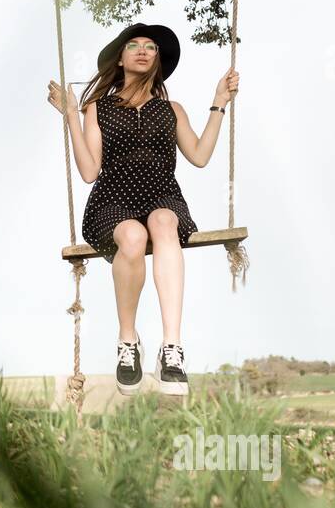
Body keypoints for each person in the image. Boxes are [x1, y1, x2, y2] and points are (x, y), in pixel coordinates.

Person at [47, 22, 239, 398]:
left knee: (164, 222)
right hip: (113, 199)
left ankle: (171, 349)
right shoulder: (97, 108)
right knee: (133, 236)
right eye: (133, 45)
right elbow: (88, 171)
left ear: (157, 59)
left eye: (150, 46)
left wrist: (219, 102)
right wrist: (71, 114)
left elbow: (199, 156)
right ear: (120, 59)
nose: (142, 50)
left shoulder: (172, 109)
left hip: (162, 195)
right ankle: (128, 343)